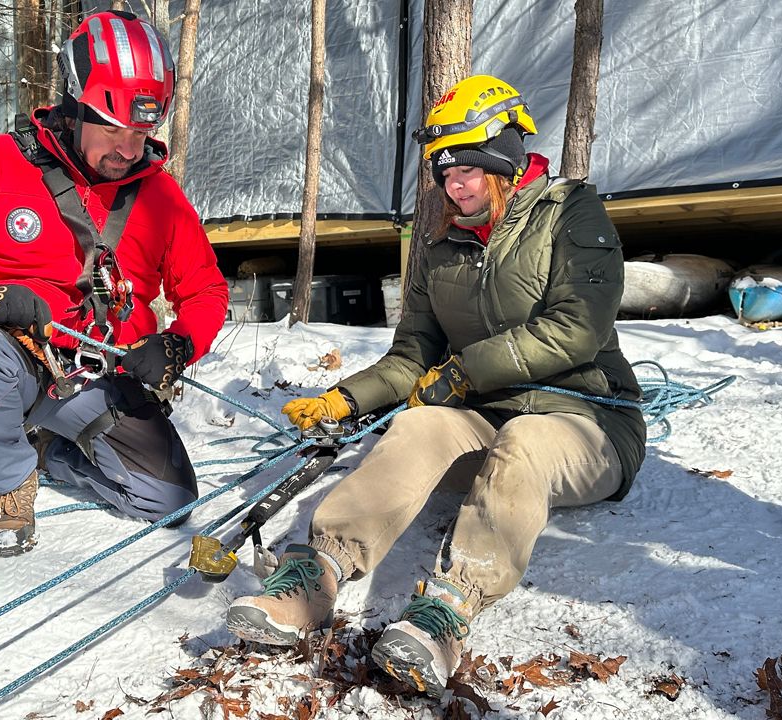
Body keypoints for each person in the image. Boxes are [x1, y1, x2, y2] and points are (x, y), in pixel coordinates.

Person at [224, 75, 647, 697]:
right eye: (445, 174)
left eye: (469, 170)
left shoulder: (569, 213)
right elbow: (411, 359)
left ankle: (449, 610)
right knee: (418, 422)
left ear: (503, 156)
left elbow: (575, 331)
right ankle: (318, 573)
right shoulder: (440, 248)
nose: (455, 186)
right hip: (484, 417)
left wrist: (465, 372)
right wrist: (347, 397)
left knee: (525, 440)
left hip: (586, 424)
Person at [0, 11, 228, 558]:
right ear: (74, 110)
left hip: (100, 373)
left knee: (167, 501)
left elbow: (206, 290)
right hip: (14, 363)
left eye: (141, 133)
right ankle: (9, 480)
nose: (127, 148)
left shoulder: (161, 197)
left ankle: (50, 452)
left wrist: (180, 343)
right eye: (113, 129)